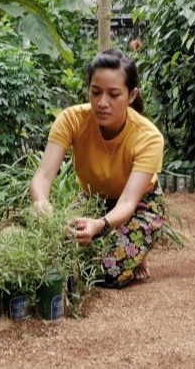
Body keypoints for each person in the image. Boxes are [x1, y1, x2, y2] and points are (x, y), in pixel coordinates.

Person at [30, 48, 165, 287]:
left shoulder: (149, 137)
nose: (102, 103)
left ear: (132, 95)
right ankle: (126, 246)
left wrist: (99, 226)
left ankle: (134, 249)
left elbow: (127, 203)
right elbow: (43, 176)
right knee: (55, 255)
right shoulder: (71, 119)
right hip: (93, 200)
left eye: (114, 94)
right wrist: (44, 208)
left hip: (138, 206)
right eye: (95, 92)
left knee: (108, 273)